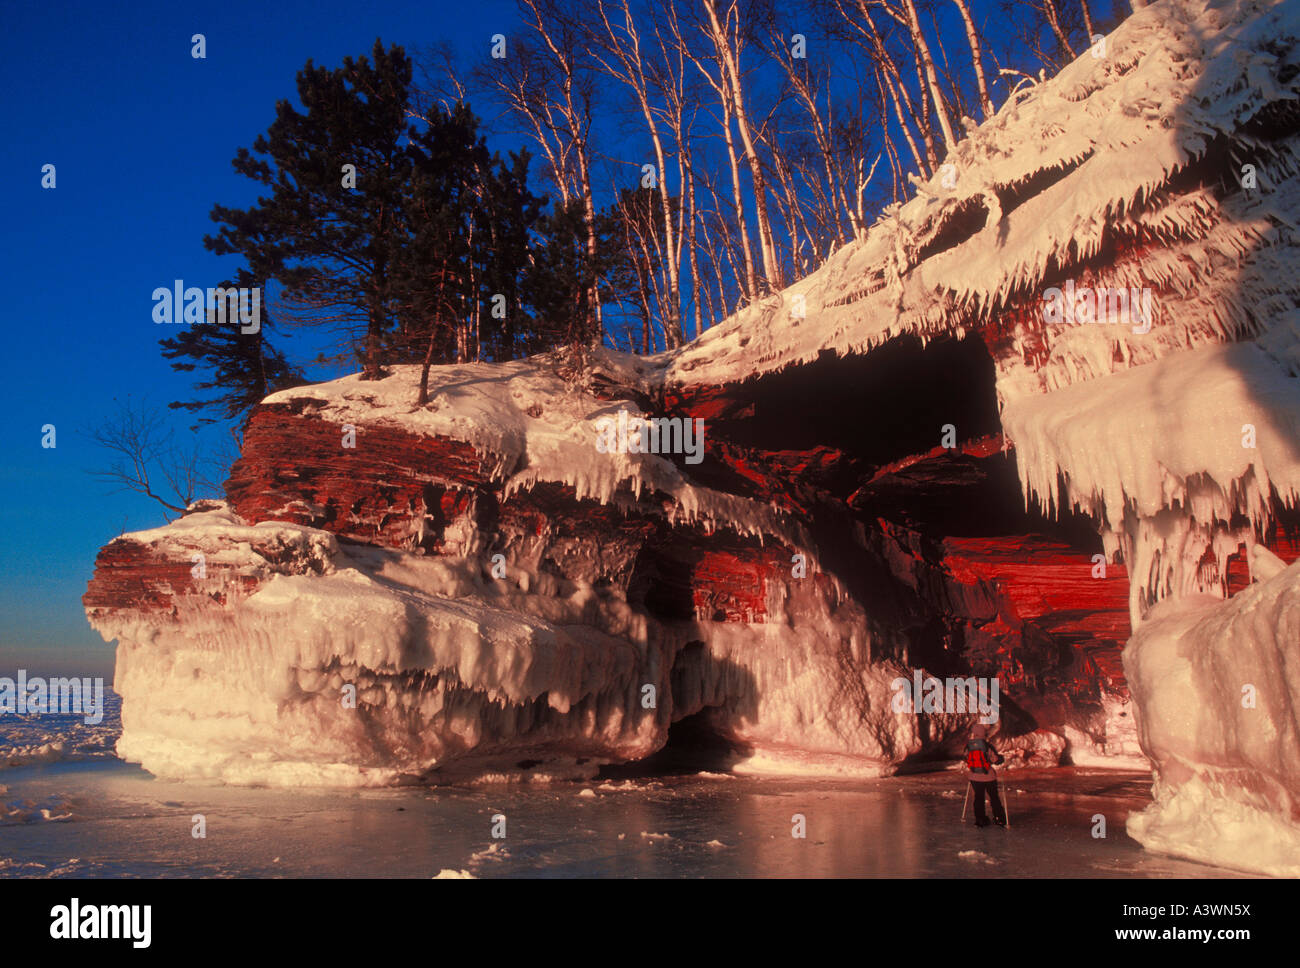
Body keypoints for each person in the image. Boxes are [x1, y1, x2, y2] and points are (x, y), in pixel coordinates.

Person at [965, 723, 1006, 827]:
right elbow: (995, 760)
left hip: (974, 776)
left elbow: (966, 759)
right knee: (994, 797)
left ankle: (980, 820)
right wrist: (1001, 759)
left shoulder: (968, 746)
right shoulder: (987, 746)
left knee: (978, 798)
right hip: (989, 776)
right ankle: (999, 818)